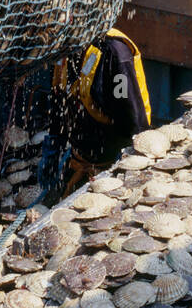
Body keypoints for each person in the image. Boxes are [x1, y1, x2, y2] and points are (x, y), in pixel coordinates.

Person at [42, 29, 153, 193]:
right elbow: (59, 101)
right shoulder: (65, 48)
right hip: (78, 158)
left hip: (111, 163)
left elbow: (133, 120)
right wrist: (53, 148)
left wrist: (130, 166)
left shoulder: (115, 53)